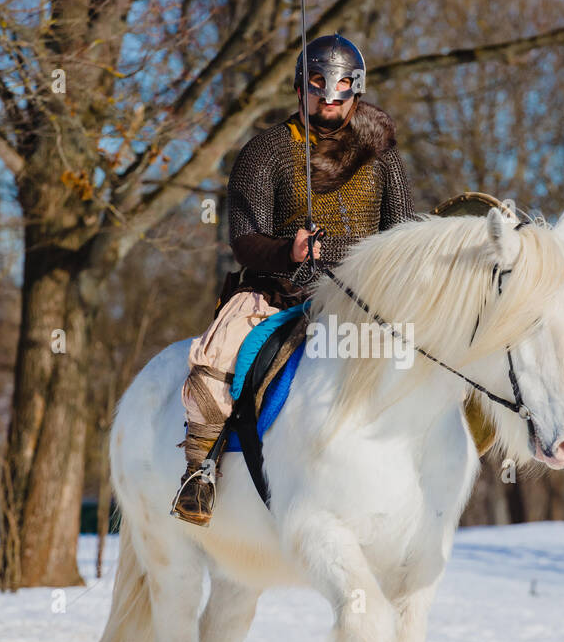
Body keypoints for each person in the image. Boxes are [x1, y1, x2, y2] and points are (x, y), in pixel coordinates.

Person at [172, 34, 416, 525]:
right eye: (318, 89)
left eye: (341, 89)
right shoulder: (265, 152)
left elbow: (402, 232)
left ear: (357, 90)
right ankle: (199, 474)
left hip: (361, 300)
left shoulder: (382, 155)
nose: (329, 100)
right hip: (279, 293)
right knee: (215, 363)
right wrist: (290, 250)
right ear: (300, 87)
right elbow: (243, 239)